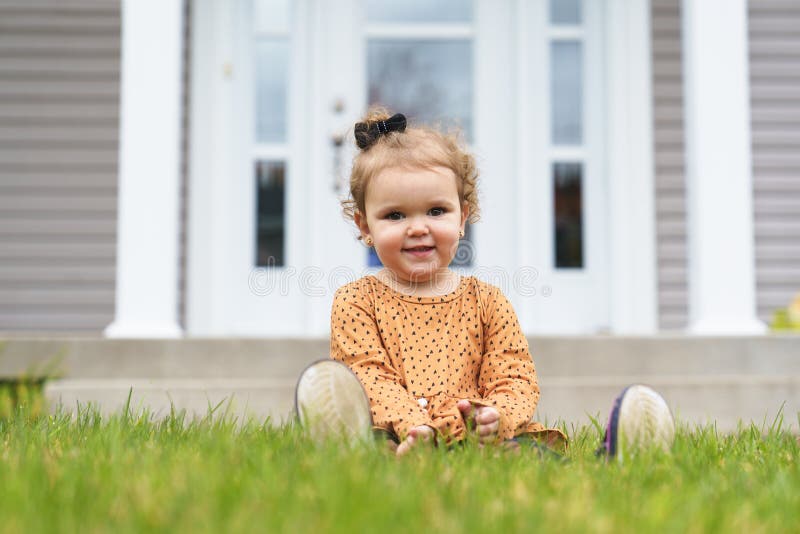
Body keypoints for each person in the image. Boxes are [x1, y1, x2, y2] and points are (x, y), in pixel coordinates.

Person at [295, 109, 566, 456]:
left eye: (436, 211)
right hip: (396, 431)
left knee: (527, 452)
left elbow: (513, 373)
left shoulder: (487, 301)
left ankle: (624, 442)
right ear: (365, 227)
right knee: (364, 447)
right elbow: (369, 377)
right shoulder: (356, 301)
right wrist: (415, 426)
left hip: (473, 434)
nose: (418, 228)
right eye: (395, 215)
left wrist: (498, 415)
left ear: (463, 217)